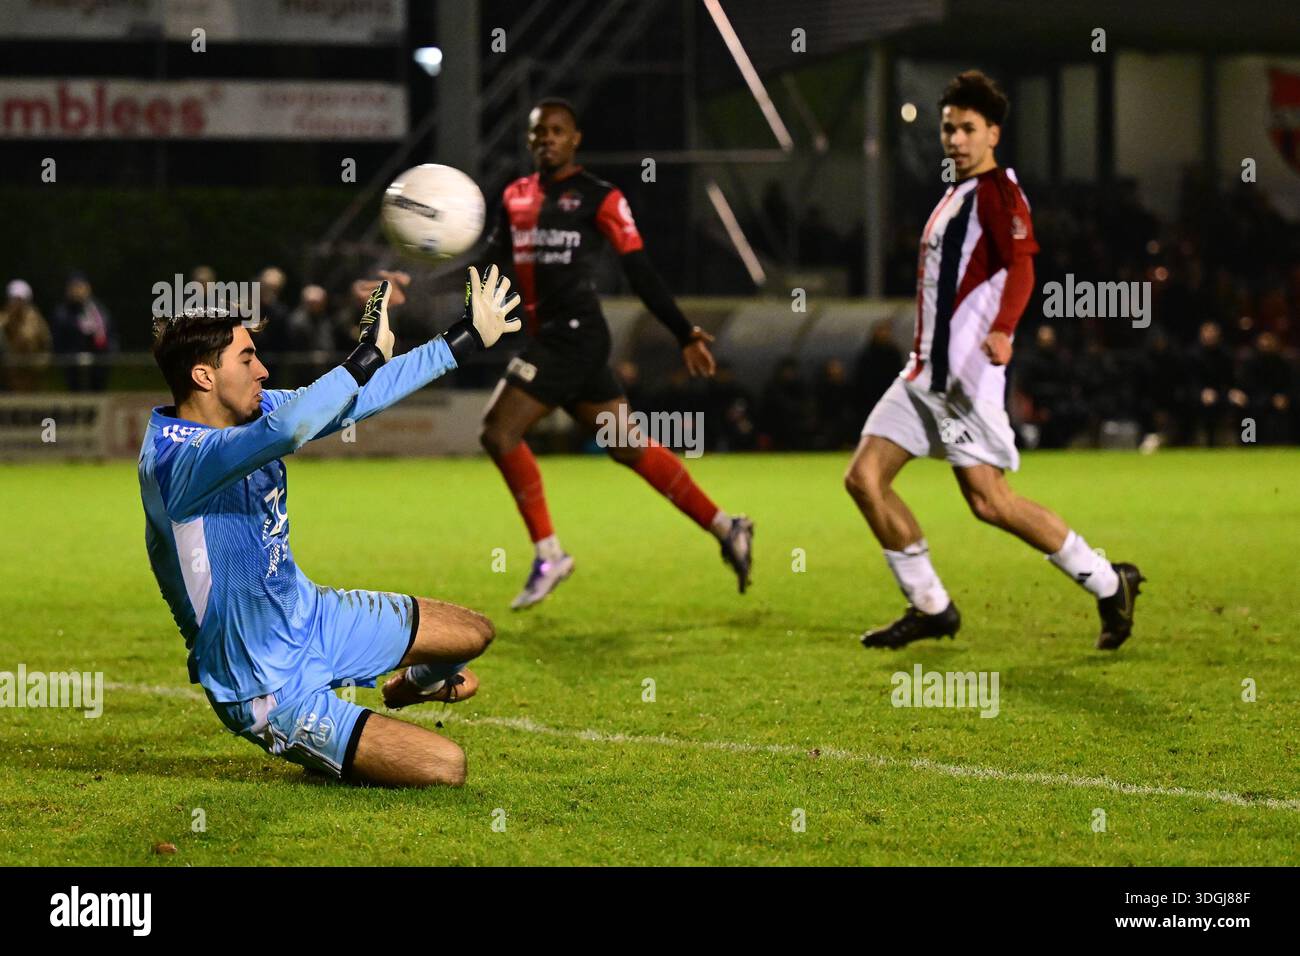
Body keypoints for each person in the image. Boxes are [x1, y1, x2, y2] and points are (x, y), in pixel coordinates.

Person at [138, 268, 521, 787]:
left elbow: (352, 401)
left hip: (315, 617)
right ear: (205, 376)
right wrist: (362, 356)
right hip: (267, 685)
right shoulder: (176, 461)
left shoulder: (251, 415)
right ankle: (318, 740)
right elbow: (292, 427)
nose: (264, 372)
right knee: (445, 767)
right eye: (247, 359)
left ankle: (412, 687)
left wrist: (462, 339)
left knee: (474, 633)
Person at [843, 71, 1144, 652]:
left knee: (990, 503)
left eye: (968, 129)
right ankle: (930, 605)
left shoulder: (1000, 193)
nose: (955, 139)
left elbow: (1024, 266)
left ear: (993, 134)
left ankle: (1110, 583)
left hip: (963, 383)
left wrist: (1005, 329)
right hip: (920, 376)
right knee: (863, 479)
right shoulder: (954, 195)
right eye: (949, 128)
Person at [479, 97, 753, 609]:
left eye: (558, 131)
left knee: (498, 431)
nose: (547, 139)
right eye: (539, 132)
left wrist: (683, 331)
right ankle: (727, 525)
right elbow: (492, 265)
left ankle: (549, 554)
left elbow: (640, 269)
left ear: (575, 138)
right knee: (626, 445)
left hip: (575, 335)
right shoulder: (514, 197)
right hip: (554, 337)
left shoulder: (599, 197)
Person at [51, 272, 115, 391]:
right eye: (74, 287)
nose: (78, 290)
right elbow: (59, 341)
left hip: (98, 366)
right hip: (74, 368)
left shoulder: (98, 309)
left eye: (81, 286)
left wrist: (110, 352)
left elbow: (109, 333)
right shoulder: (62, 313)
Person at [1, 279, 53, 392]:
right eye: (14, 299)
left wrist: (39, 363)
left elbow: (46, 346)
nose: (17, 303)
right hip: (8, 381)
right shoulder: (3, 321)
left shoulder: (37, 321)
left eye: (20, 300)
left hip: (32, 379)